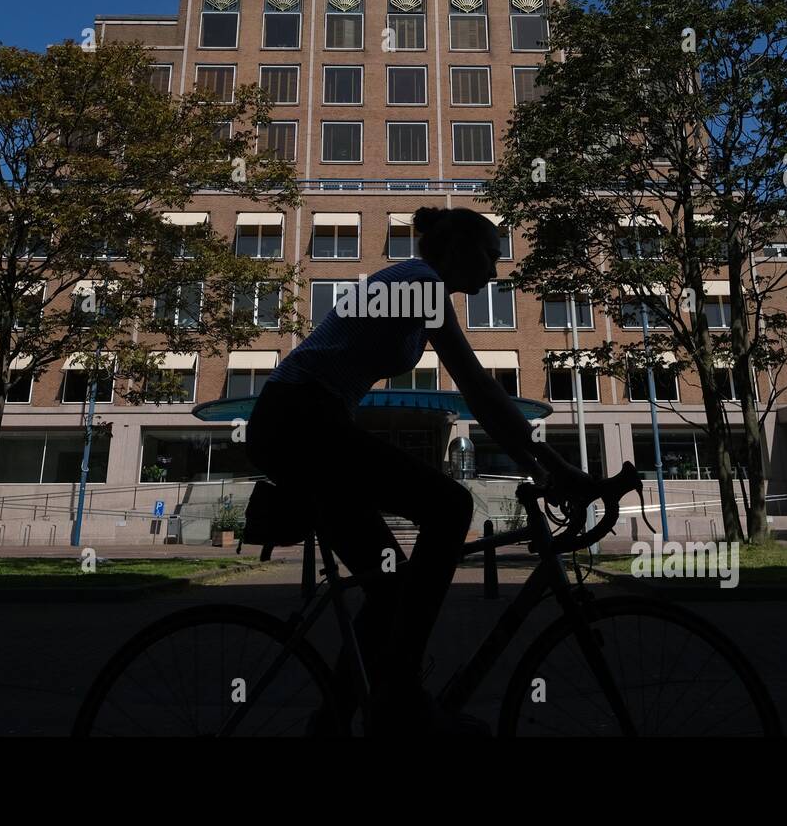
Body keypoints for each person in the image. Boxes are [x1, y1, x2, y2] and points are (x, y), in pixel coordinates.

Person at [246, 206, 605, 736]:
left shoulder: (416, 288)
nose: (495, 268)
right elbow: (480, 389)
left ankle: (335, 719)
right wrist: (554, 466)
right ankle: (399, 696)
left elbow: (477, 391)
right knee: (451, 505)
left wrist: (544, 465)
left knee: (389, 588)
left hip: (301, 422)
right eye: (489, 253)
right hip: (302, 419)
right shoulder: (419, 282)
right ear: (456, 247)